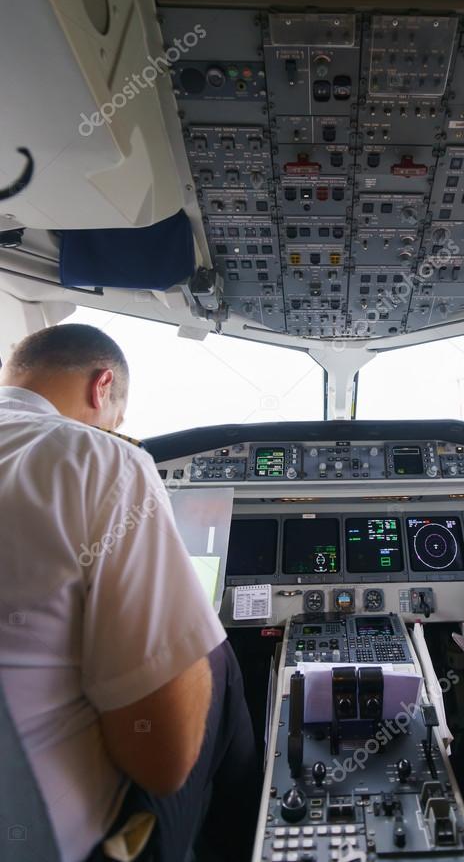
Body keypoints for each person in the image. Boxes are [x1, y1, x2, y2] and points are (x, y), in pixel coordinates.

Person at [0, 324, 258, 861]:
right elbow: (162, 763)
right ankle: (245, 834)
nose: (112, 429)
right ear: (102, 387)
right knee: (216, 653)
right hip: (70, 844)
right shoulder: (100, 458)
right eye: (115, 420)